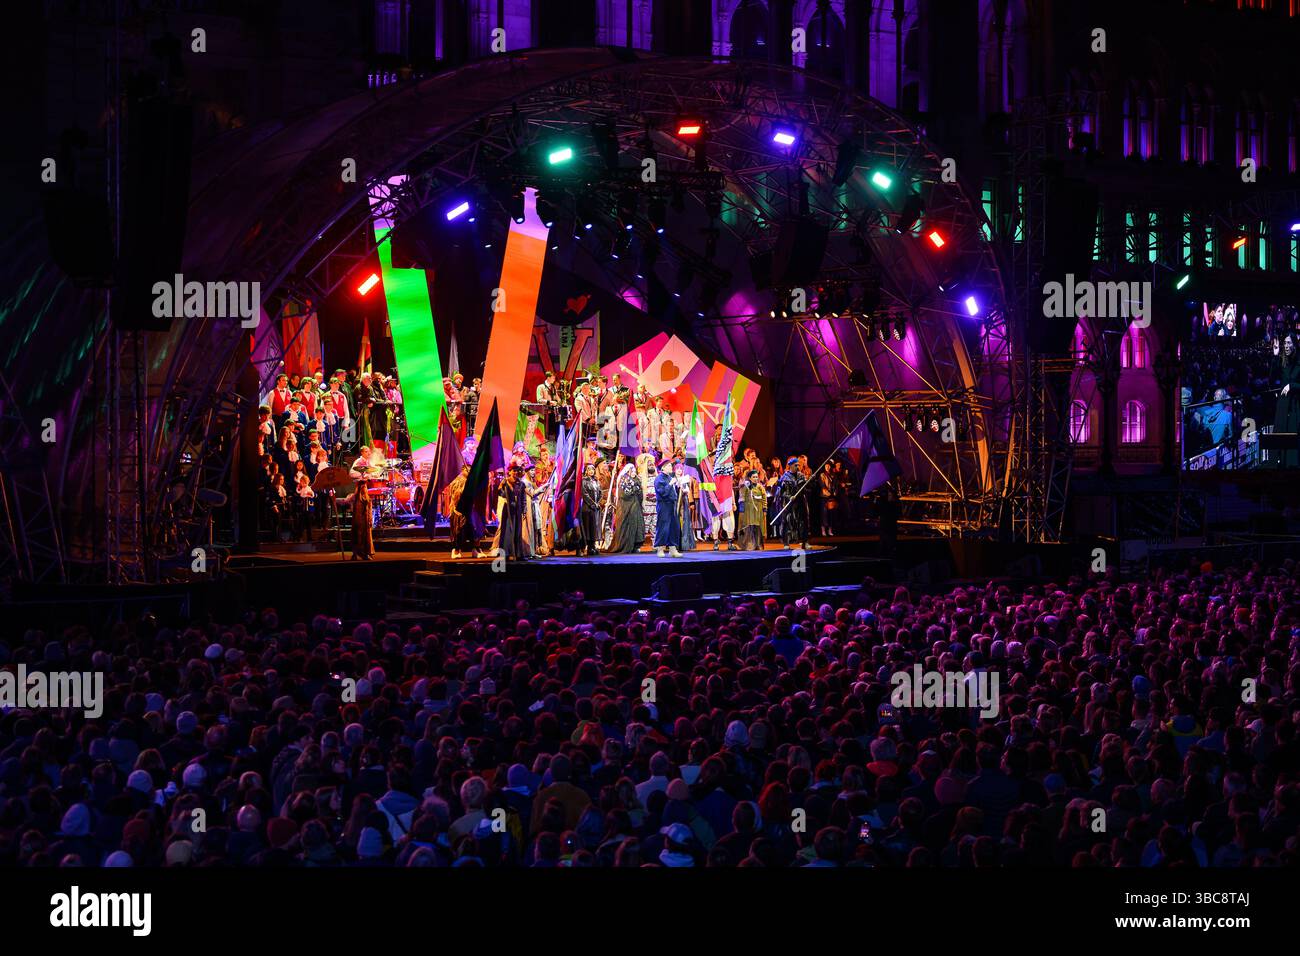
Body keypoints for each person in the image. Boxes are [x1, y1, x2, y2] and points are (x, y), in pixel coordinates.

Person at [608, 459, 645, 554]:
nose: (634, 473)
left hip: (636, 507)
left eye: (634, 471)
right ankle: (627, 545)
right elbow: (623, 495)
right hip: (627, 509)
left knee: (638, 526)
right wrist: (634, 491)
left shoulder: (637, 480)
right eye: (631, 471)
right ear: (628, 471)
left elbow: (640, 493)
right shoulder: (624, 480)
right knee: (628, 526)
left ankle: (636, 545)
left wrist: (638, 493)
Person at [446, 465, 483, 559]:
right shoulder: (457, 481)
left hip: (472, 510)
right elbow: (456, 495)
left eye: (471, 470)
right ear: (462, 470)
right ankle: (456, 550)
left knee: (474, 531)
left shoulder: (474, 481)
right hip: (459, 510)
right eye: (467, 470)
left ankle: (476, 549)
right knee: (459, 532)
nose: (469, 471)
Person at [495, 464, 529, 561]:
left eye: (516, 471)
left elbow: (523, 498)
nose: (515, 473)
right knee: (507, 531)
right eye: (513, 471)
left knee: (517, 530)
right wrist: (500, 488)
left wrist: (524, 510)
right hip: (508, 509)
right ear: (509, 472)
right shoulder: (505, 483)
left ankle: (518, 553)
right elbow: (502, 495)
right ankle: (504, 553)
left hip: (517, 509)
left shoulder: (521, 484)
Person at [775, 457, 809, 549]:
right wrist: (789, 496)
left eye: (798, 465)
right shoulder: (784, 477)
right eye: (795, 465)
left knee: (804, 521)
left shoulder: (801, 475)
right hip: (789, 503)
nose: (797, 467)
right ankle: (786, 543)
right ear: (790, 466)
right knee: (786, 521)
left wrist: (810, 481)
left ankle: (805, 542)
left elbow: (806, 489)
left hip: (800, 501)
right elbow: (781, 492)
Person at [653, 457, 684, 558]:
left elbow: (672, 492)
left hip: (672, 505)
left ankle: (672, 549)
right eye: (669, 466)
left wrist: (678, 485)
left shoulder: (670, 477)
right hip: (664, 505)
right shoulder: (659, 479)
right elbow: (663, 493)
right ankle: (660, 548)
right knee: (663, 526)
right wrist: (670, 484)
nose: (671, 467)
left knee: (673, 527)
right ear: (663, 468)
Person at [737, 468, 767, 551]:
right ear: (750, 478)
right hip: (749, 512)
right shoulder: (746, 487)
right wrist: (742, 510)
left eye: (757, 477)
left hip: (758, 512)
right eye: (754, 477)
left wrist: (764, 509)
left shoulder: (760, 487)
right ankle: (750, 544)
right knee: (749, 528)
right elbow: (742, 498)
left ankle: (759, 545)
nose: (756, 479)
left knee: (758, 528)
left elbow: (764, 498)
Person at [579, 463, 601, 557]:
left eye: (592, 469)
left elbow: (600, 492)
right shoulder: (584, 481)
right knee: (588, 527)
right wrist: (592, 504)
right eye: (589, 469)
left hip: (595, 508)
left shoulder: (596, 480)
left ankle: (593, 545)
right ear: (586, 471)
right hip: (587, 508)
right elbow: (584, 494)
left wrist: (598, 503)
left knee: (594, 527)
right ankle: (588, 547)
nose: (591, 471)